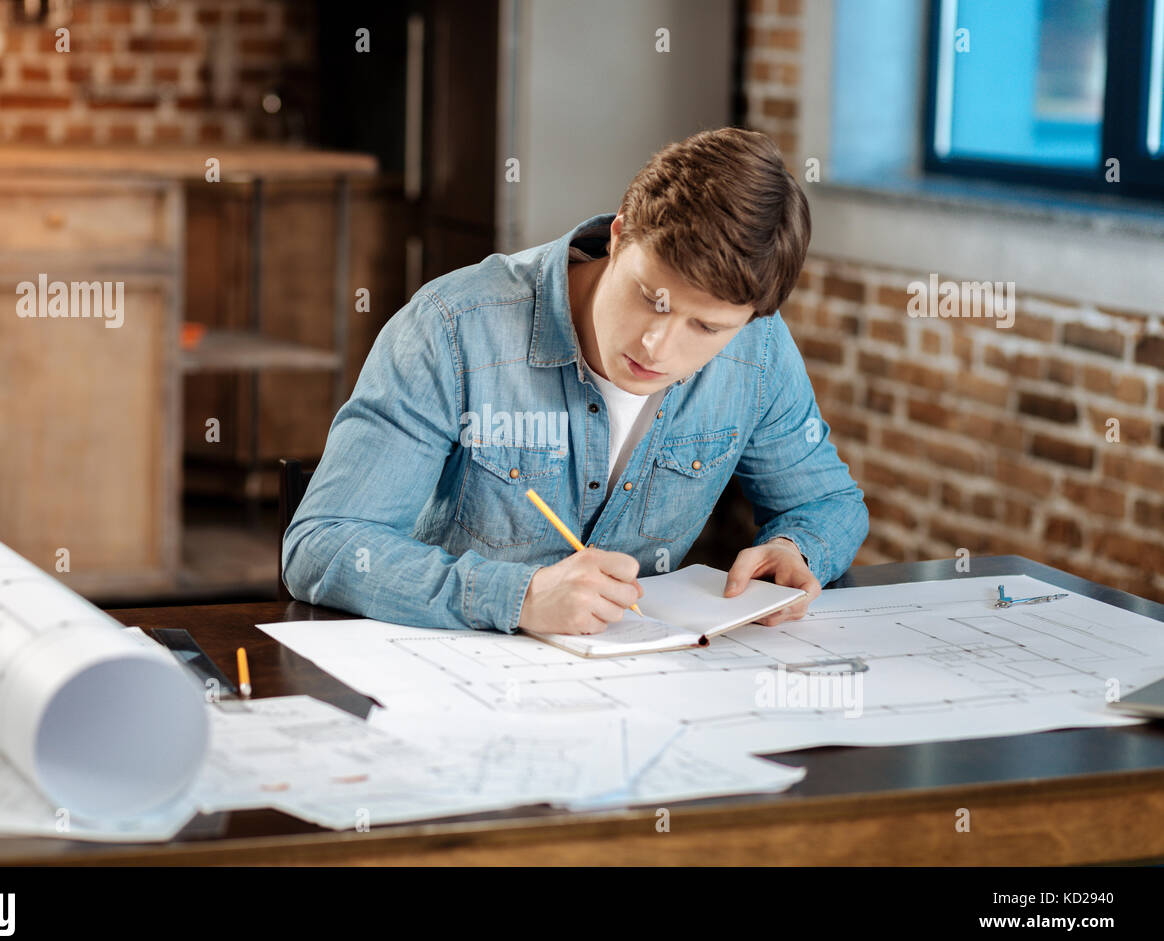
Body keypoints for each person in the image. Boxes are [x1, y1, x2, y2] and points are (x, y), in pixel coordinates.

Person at [283, 126, 867, 636]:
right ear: (618, 236)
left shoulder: (757, 351)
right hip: (451, 681)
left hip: (640, 686)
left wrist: (796, 549)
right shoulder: (454, 328)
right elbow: (323, 546)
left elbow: (829, 503)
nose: (656, 347)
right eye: (649, 298)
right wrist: (520, 597)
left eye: (706, 328)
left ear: (747, 320)